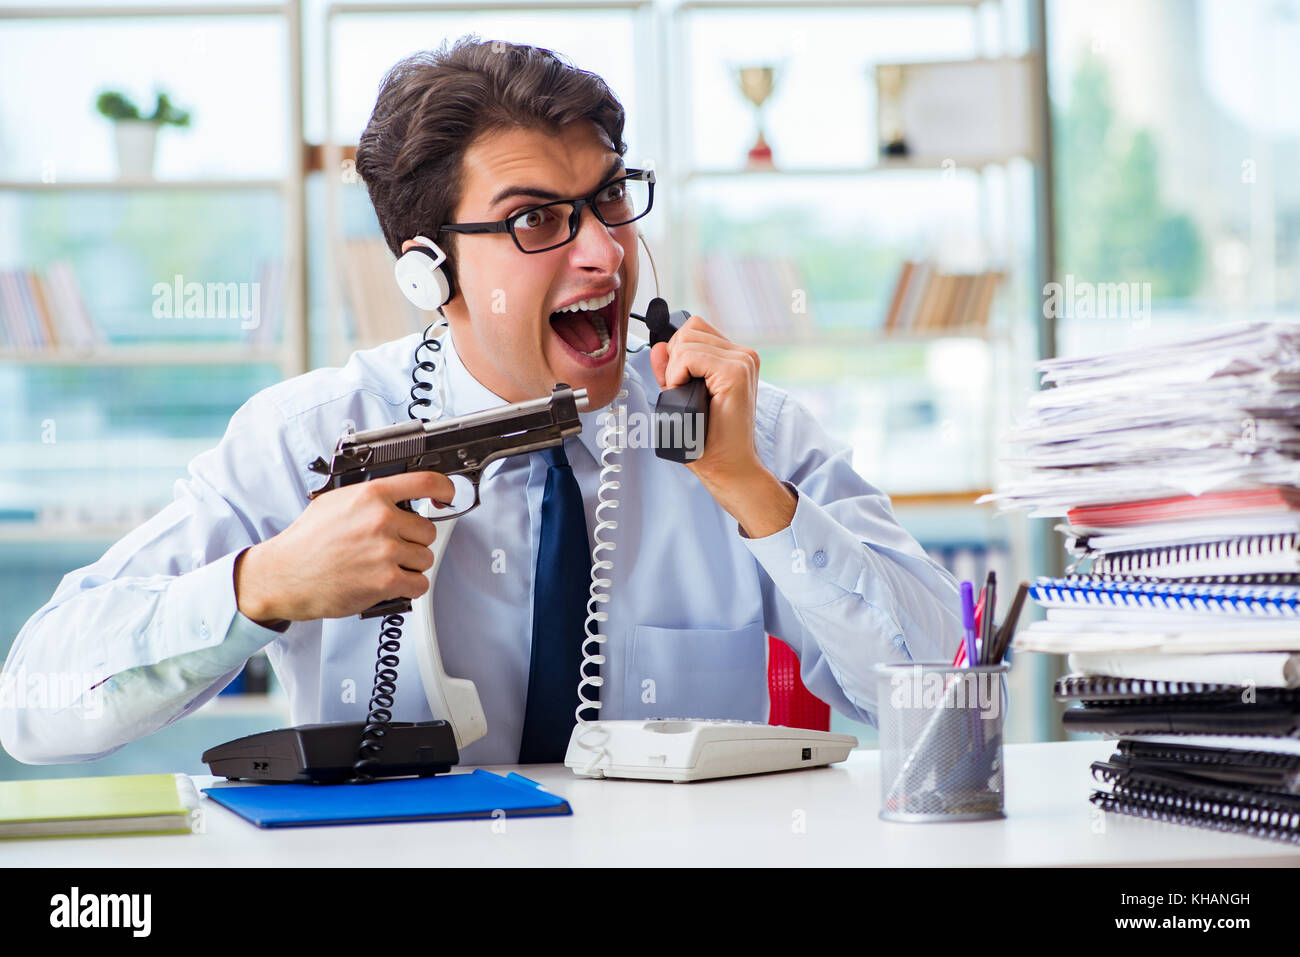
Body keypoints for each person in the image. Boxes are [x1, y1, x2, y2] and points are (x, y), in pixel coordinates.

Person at [0, 37, 963, 767]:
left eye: (611, 197)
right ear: (428, 271)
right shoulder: (306, 438)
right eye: (537, 219)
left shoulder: (746, 430)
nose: (606, 253)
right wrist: (260, 586)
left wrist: (758, 498)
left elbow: (946, 692)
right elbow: (33, 702)